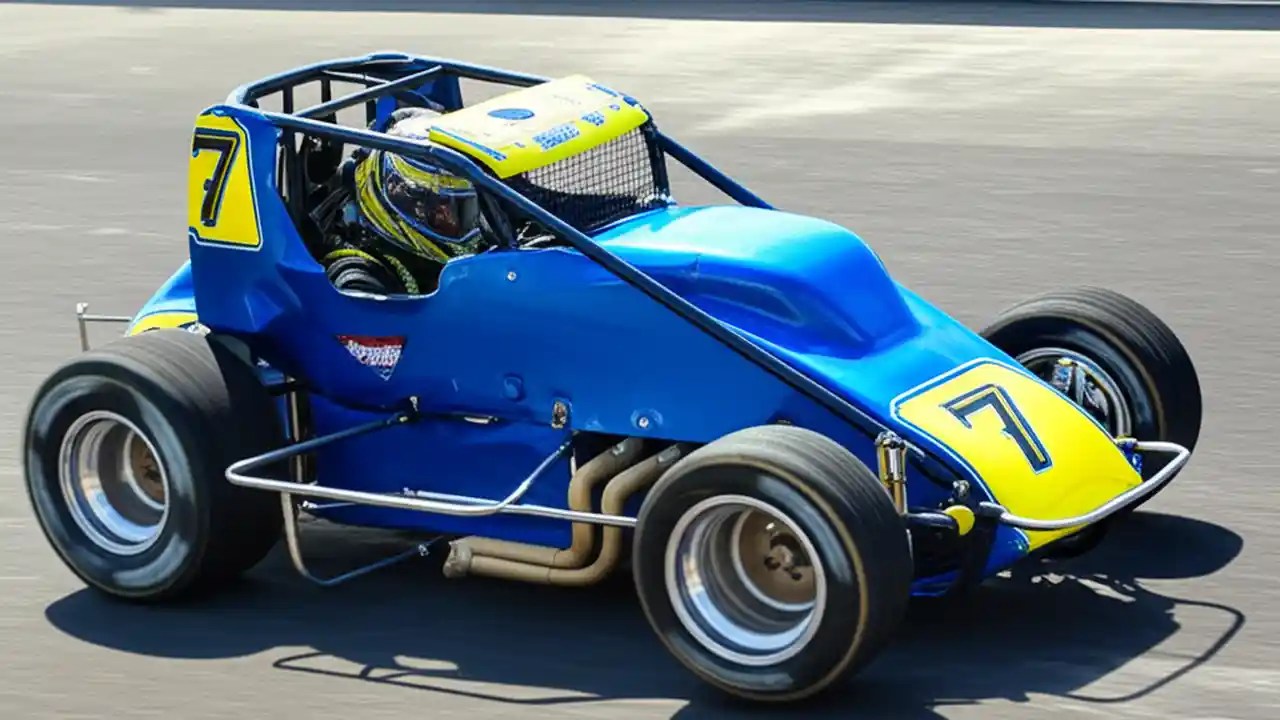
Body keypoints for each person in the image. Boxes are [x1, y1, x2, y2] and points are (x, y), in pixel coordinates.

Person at [309, 107, 490, 295]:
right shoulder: (359, 278)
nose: (450, 219)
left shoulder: (476, 237)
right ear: (407, 203)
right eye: (440, 209)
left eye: (462, 208)